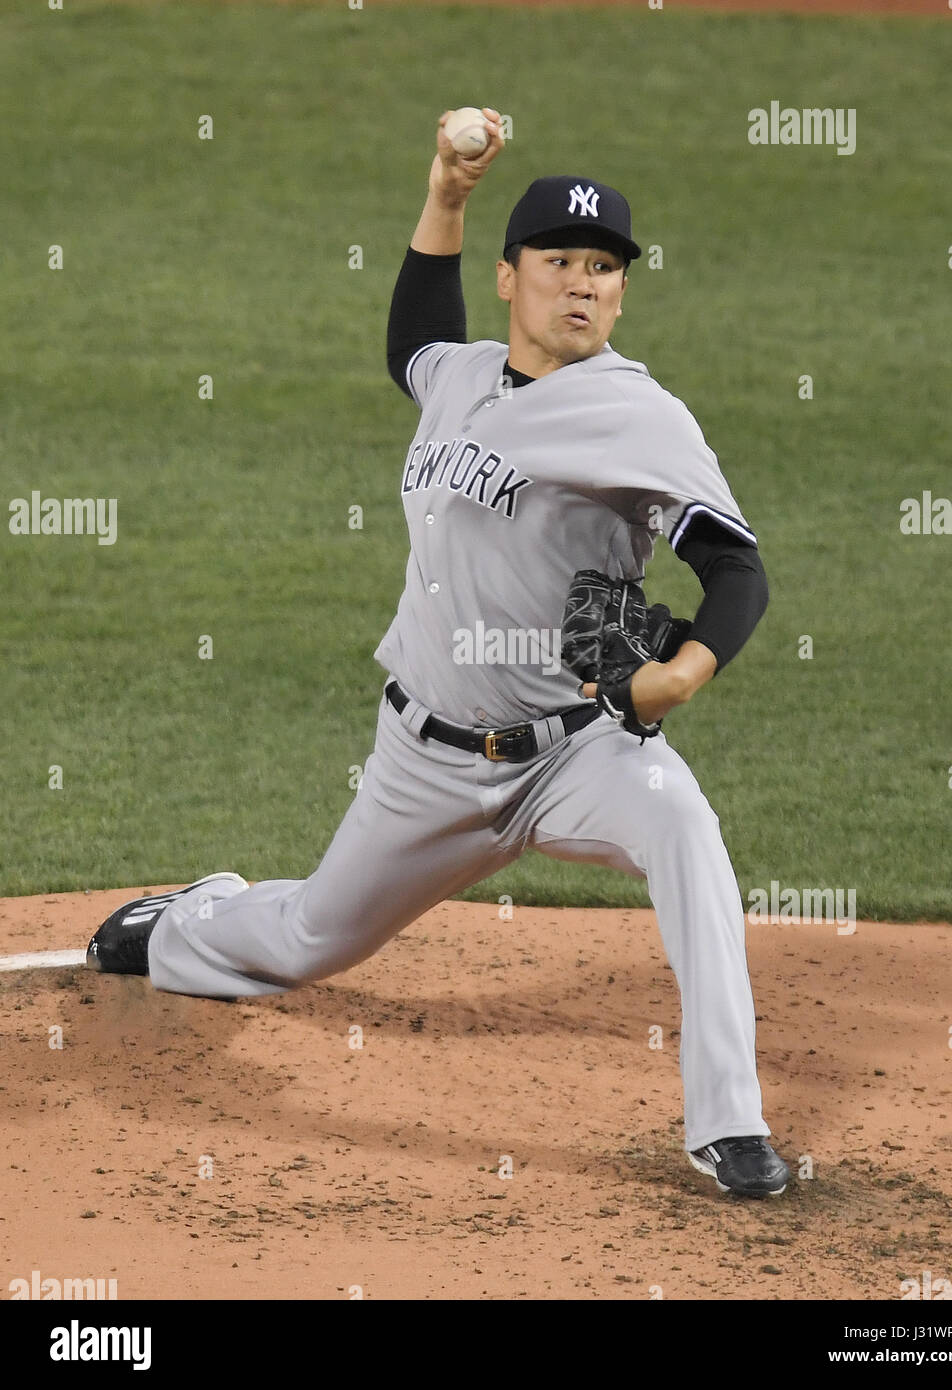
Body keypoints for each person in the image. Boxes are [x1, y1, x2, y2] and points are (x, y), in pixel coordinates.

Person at [87, 108, 790, 1198]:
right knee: (310, 937)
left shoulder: (638, 417)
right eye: (558, 260)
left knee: (686, 829)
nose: (583, 283)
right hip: (425, 756)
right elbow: (410, 339)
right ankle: (189, 917)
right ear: (508, 277)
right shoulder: (460, 376)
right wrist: (447, 196)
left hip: (576, 751)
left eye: (603, 268)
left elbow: (736, 572)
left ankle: (726, 1124)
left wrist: (676, 675)